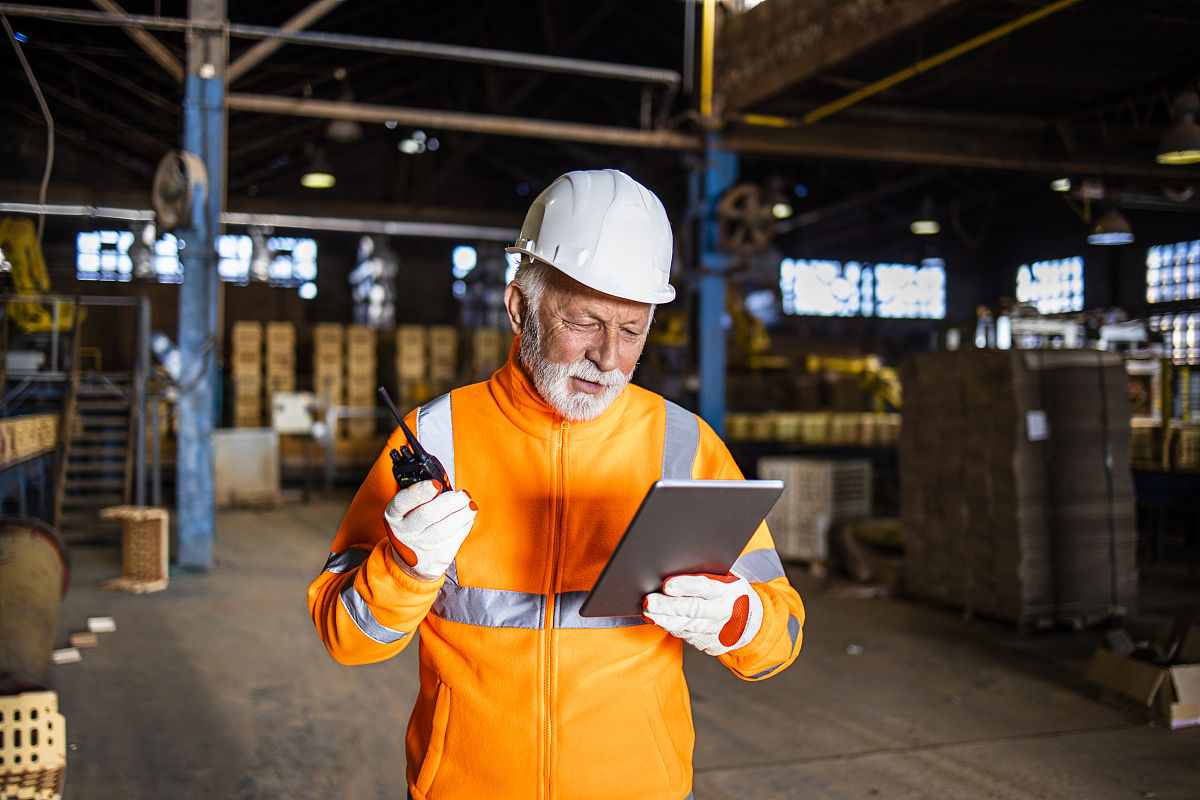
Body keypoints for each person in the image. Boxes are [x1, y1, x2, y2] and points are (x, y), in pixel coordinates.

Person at [307, 169, 805, 800]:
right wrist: (405, 569)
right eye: (585, 323)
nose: (608, 358)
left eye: (632, 331)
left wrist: (742, 618)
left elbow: (781, 637)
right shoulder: (436, 438)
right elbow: (345, 637)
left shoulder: (682, 445)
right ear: (520, 309)